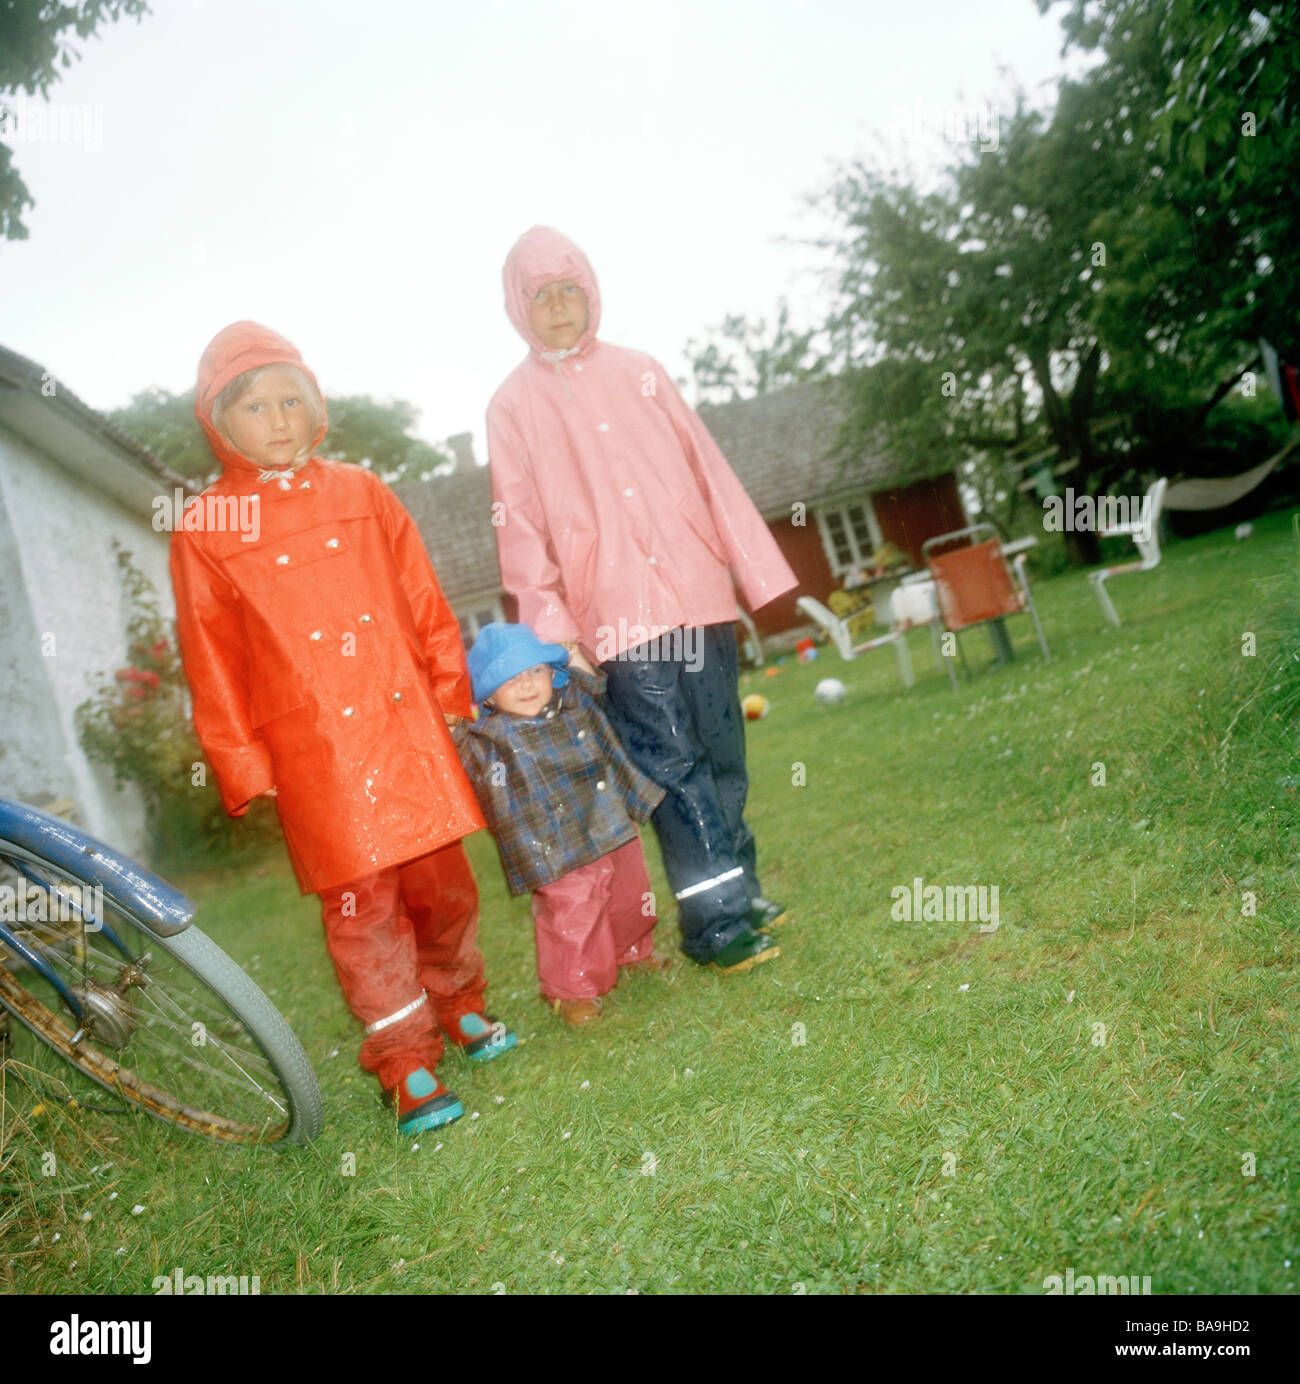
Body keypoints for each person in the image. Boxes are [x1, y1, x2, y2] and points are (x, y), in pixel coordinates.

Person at [170, 320, 517, 1137]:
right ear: (220, 421)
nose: (279, 418)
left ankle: (460, 1002)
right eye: (256, 406)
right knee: (362, 910)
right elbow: (209, 656)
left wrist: (450, 687)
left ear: (317, 404)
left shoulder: (363, 491)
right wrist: (243, 761)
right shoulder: (205, 529)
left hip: (405, 727)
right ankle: (407, 1062)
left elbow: (425, 597)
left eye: (293, 397)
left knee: (442, 886)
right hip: (317, 749)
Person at [486, 227, 799, 973]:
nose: (559, 307)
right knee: (674, 765)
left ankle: (741, 889)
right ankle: (715, 925)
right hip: (618, 613)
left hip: (698, 592)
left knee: (724, 756)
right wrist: (551, 627)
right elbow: (519, 525)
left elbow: (709, 468)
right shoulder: (511, 407)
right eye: (541, 295)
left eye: (570, 290)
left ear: (591, 293)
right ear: (518, 307)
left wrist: (754, 571)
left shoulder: (642, 372)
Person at [451, 623, 669, 1026]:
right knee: (572, 912)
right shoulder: (488, 738)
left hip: (607, 818)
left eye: (535, 671)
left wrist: (577, 660)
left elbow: (597, 691)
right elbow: (458, 760)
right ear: (489, 696)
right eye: (510, 679)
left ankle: (634, 952)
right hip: (550, 842)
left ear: (553, 675)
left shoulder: (573, 705)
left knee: (629, 894)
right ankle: (571, 990)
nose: (527, 685)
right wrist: (452, 725)